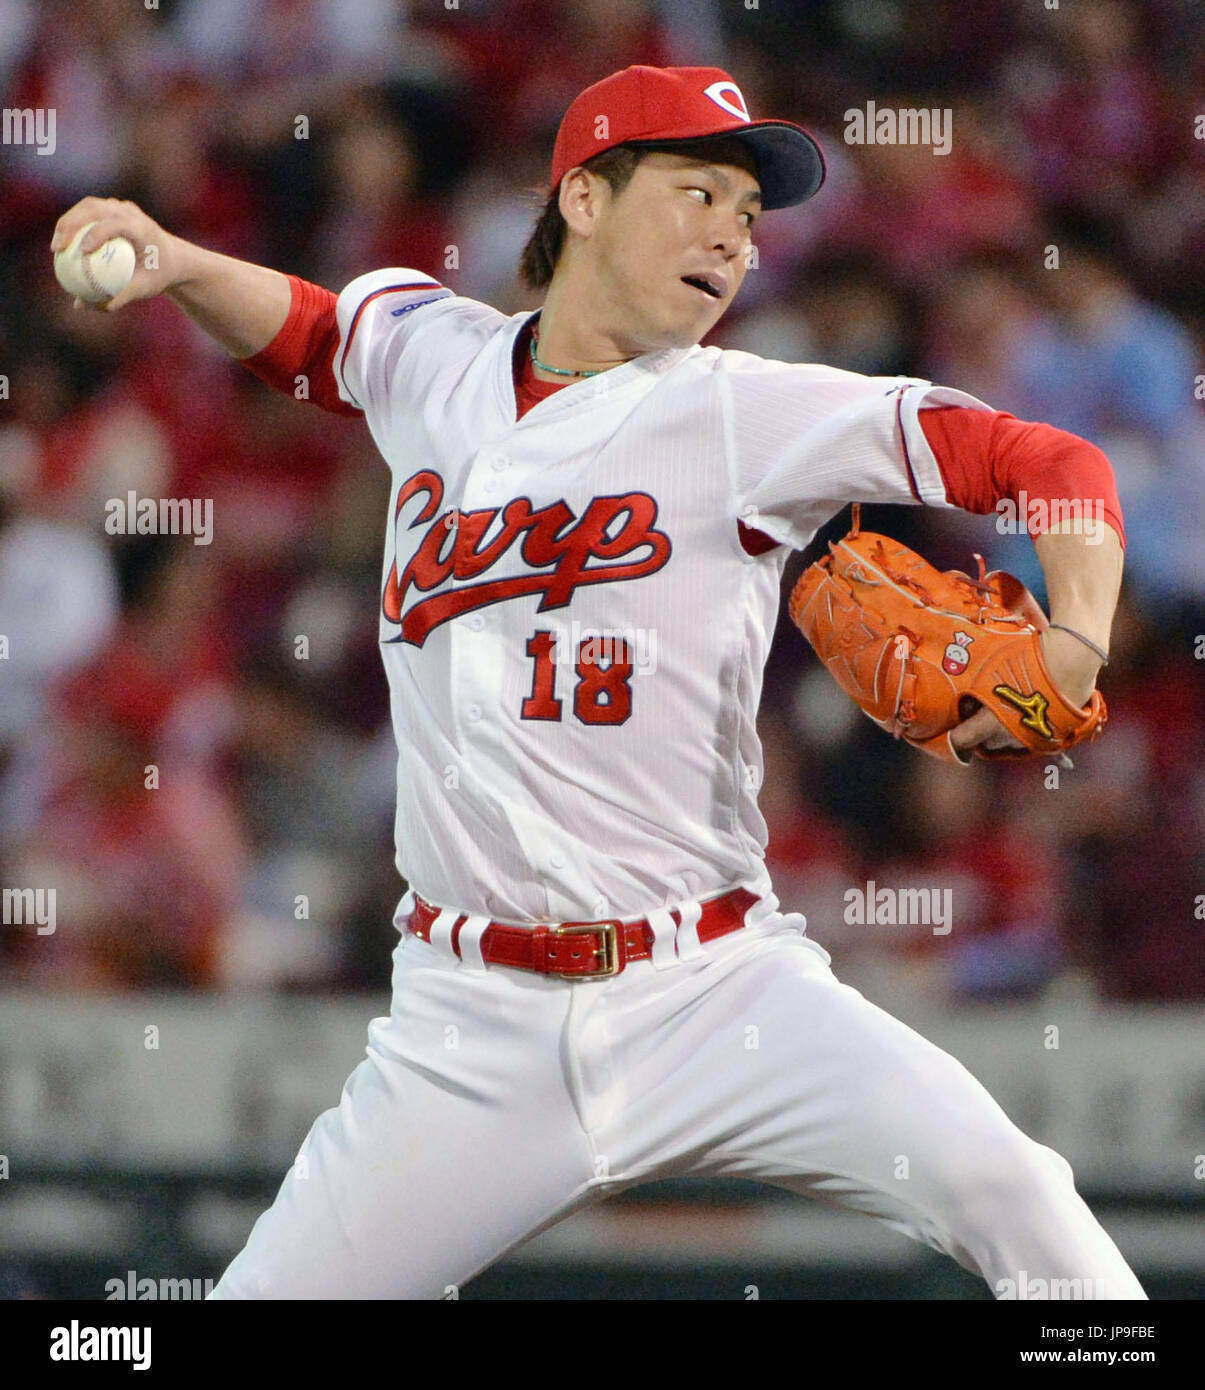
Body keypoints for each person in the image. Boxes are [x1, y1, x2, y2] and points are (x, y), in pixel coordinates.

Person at [52, 64, 1143, 1300]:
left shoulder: (745, 412)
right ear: (582, 199)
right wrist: (177, 259)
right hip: (468, 1025)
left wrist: (1075, 640)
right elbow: (315, 338)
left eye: (746, 213)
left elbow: (1046, 459)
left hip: (716, 990)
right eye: (696, 193)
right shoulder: (433, 355)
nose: (731, 235)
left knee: (1017, 1200)